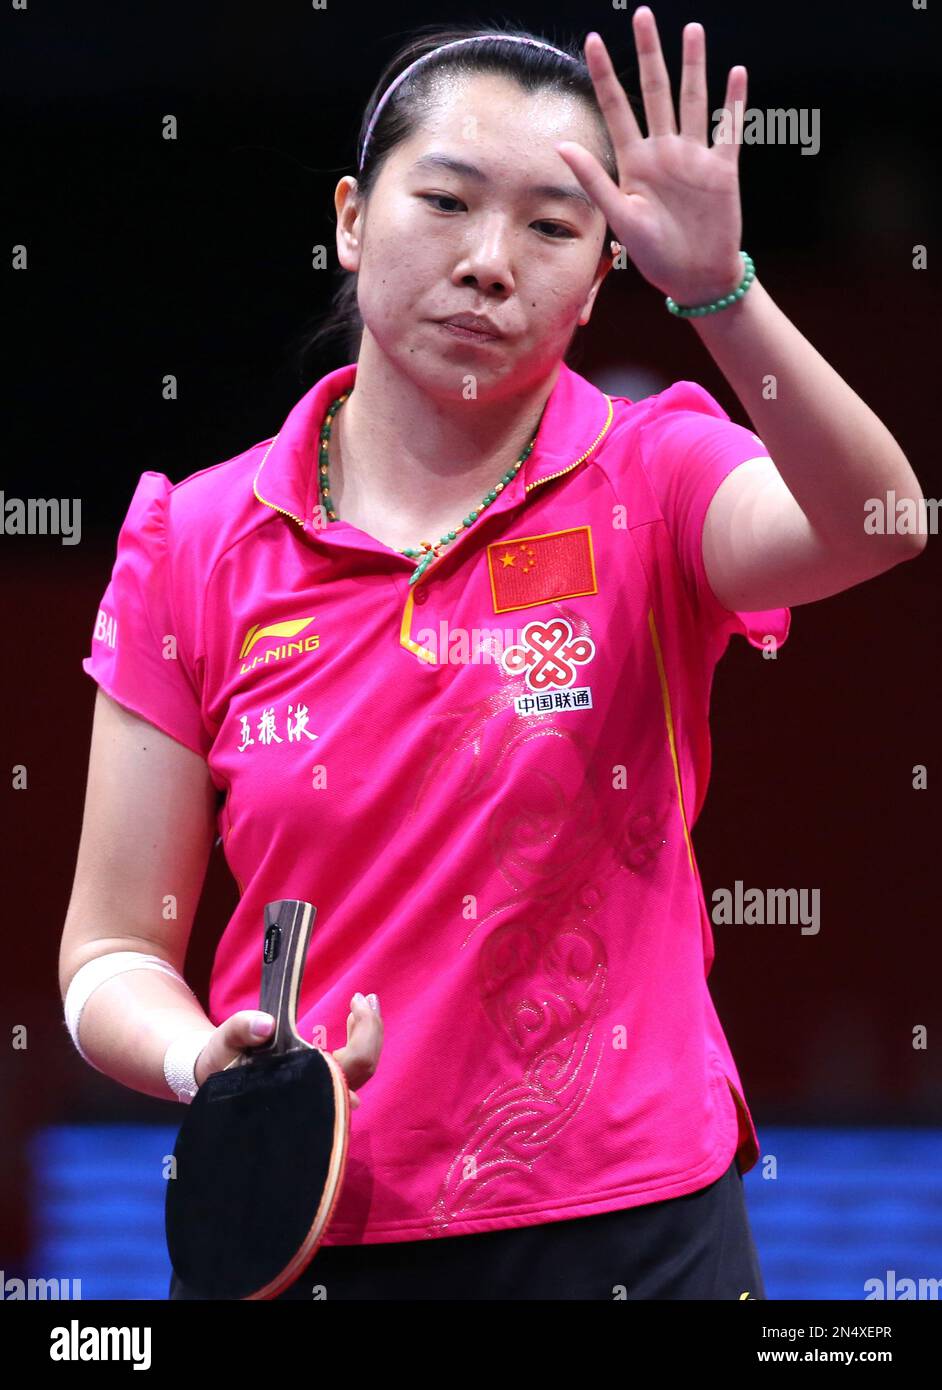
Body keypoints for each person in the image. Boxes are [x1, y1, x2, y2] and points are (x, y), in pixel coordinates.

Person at [59, 13, 926, 1301]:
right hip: (311, 1228)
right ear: (353, 219)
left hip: (637, 1227)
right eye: (447, 201)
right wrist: (208, 1060)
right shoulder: (195, 538)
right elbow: (111, 955)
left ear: (596, 281)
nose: (487, 263)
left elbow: (881, 525)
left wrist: (722, 292)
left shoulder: (654, 475)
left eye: (552, 228)